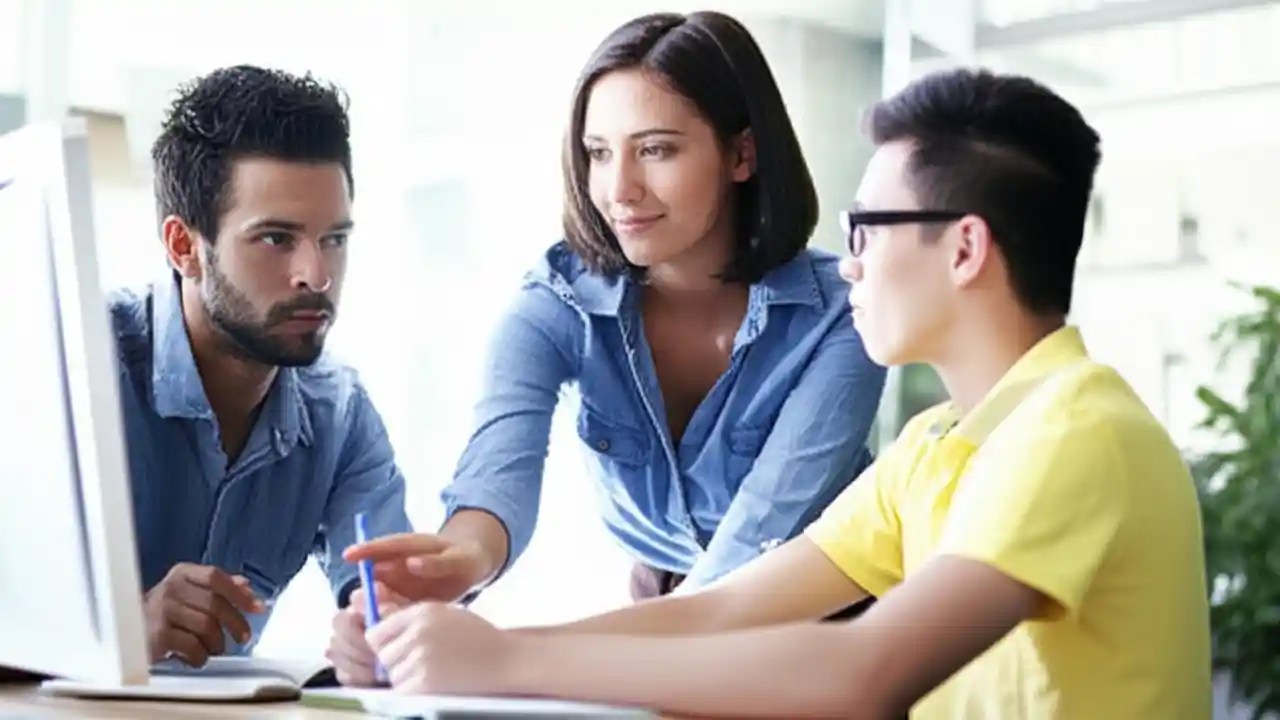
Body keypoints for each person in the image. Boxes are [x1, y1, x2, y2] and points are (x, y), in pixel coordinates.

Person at [337, 67, 1214, 719]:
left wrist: (504, 666)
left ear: (965, 248)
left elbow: (866, 673)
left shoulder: (1075, 430)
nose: (851, 264)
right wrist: (462, 651)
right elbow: (721, 608)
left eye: (866, 228)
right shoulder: (935, 449)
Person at [326, 8, 884, 667]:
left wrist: (512, 655)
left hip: (831, 624)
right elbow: (497, 476)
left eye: (655, 149)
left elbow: (761, 539)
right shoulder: (555, 304)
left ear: (742, 153)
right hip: (663, 606)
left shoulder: (843, 311)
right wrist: (451, 568)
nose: (618, 189)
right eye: (597, 153)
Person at [110, 65, 411, 666]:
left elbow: (386, 594)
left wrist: (384, 636)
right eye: (277, 238)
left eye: (335, 239)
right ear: (183, 247)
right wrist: (119, 632)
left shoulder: (340, 416)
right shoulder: (84, 366)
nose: (317, 275)